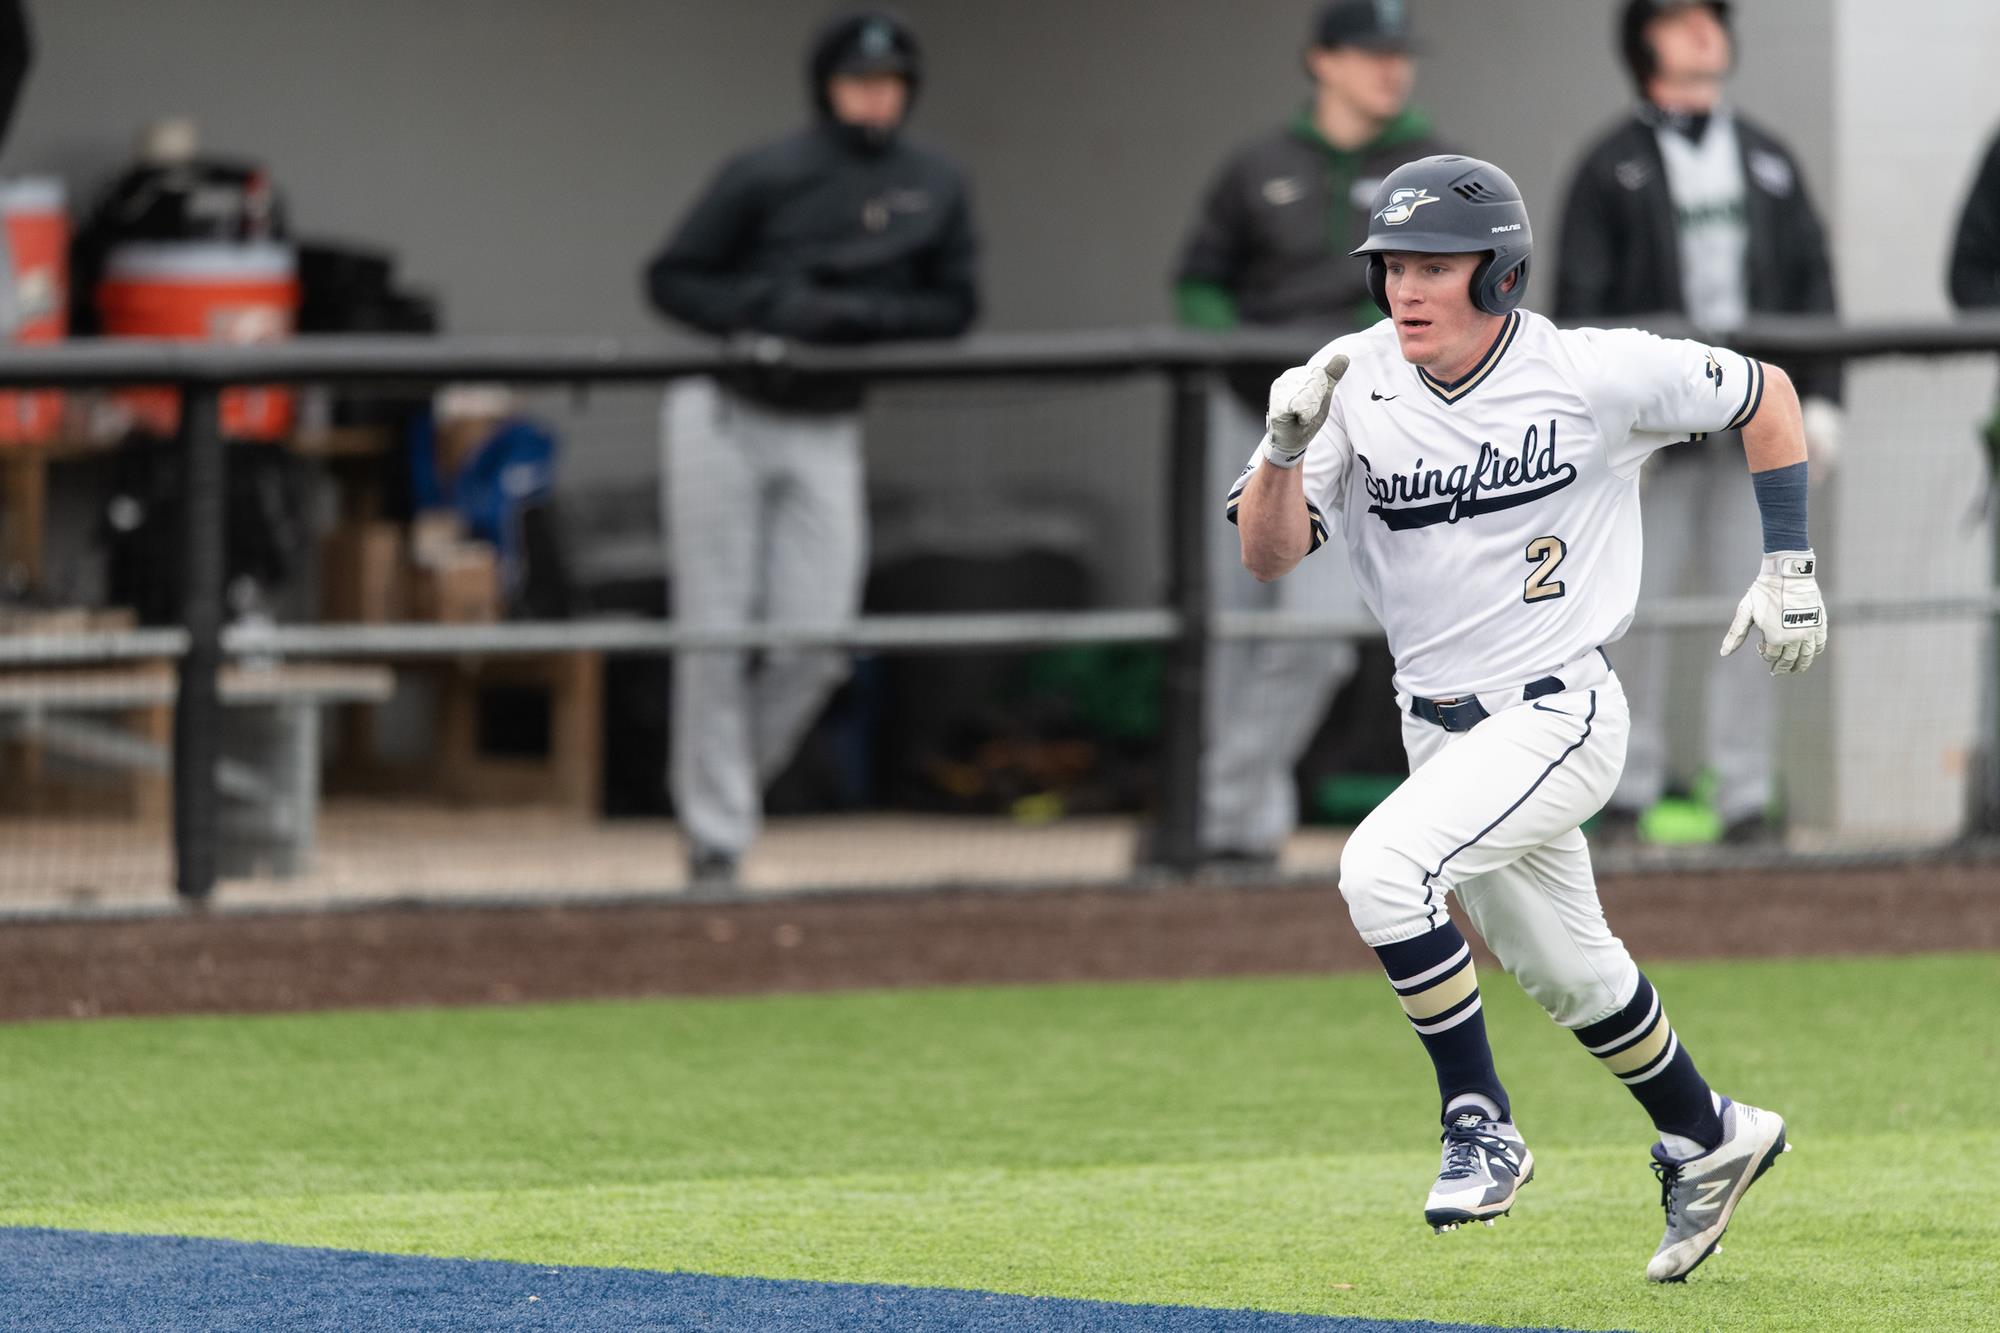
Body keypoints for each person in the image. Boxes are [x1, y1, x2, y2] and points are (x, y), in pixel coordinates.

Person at [1232, 154, 1819, 1279]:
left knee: (1379, 869)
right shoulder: (1346, 378)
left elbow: (1767, 393)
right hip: (1439, 729)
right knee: (1566, 971)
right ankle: (1708, 1131)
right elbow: (1266, 556)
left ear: (1497, 274)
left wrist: (1787, 561)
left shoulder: (1592, 371)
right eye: (1391, 266)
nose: (1406, 288)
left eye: (1435, 267)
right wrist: (1281, 448)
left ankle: (1477, 1118)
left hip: (1559, 712)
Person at [643, 9, 978, 890]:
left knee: (818, 638)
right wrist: (764, 311)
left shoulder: (932, 182)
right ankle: (716, 835)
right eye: (858, 81)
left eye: (890, 82)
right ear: (826, 87)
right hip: (725, 410)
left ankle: (725, 794)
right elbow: (672, 277)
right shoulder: (767, 170)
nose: (875, 97)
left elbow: (956, 304)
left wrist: (861, 319)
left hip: (828, 422)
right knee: (715, 631)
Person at [1170, 0, 1451, 867]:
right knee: (1235, 625)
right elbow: (1199, 282)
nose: (1390, 69)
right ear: (1322, 61)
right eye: (1370, 53)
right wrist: (1238, 361)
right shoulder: (1258, 165)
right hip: (1250, 414)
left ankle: (1221, 809)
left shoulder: (1429, 164)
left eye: (1398, 53)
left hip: (1359, 422)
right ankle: (1242, 824)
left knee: (1315, 636)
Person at [1553, 0, 1839, 846]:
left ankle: (1745, 795)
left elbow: (1814, 283)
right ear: (1645, 43)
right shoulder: (1610, 166)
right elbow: (1578, 307)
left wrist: (1820, 401)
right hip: (1654, 434)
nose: (1705, 31)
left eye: (1711, 17)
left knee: (1765, 603)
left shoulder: (1768, 161)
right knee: (1627, 613)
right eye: (1682, 19)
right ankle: (1625, 791)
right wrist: (1609, 425)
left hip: (1752, 428)